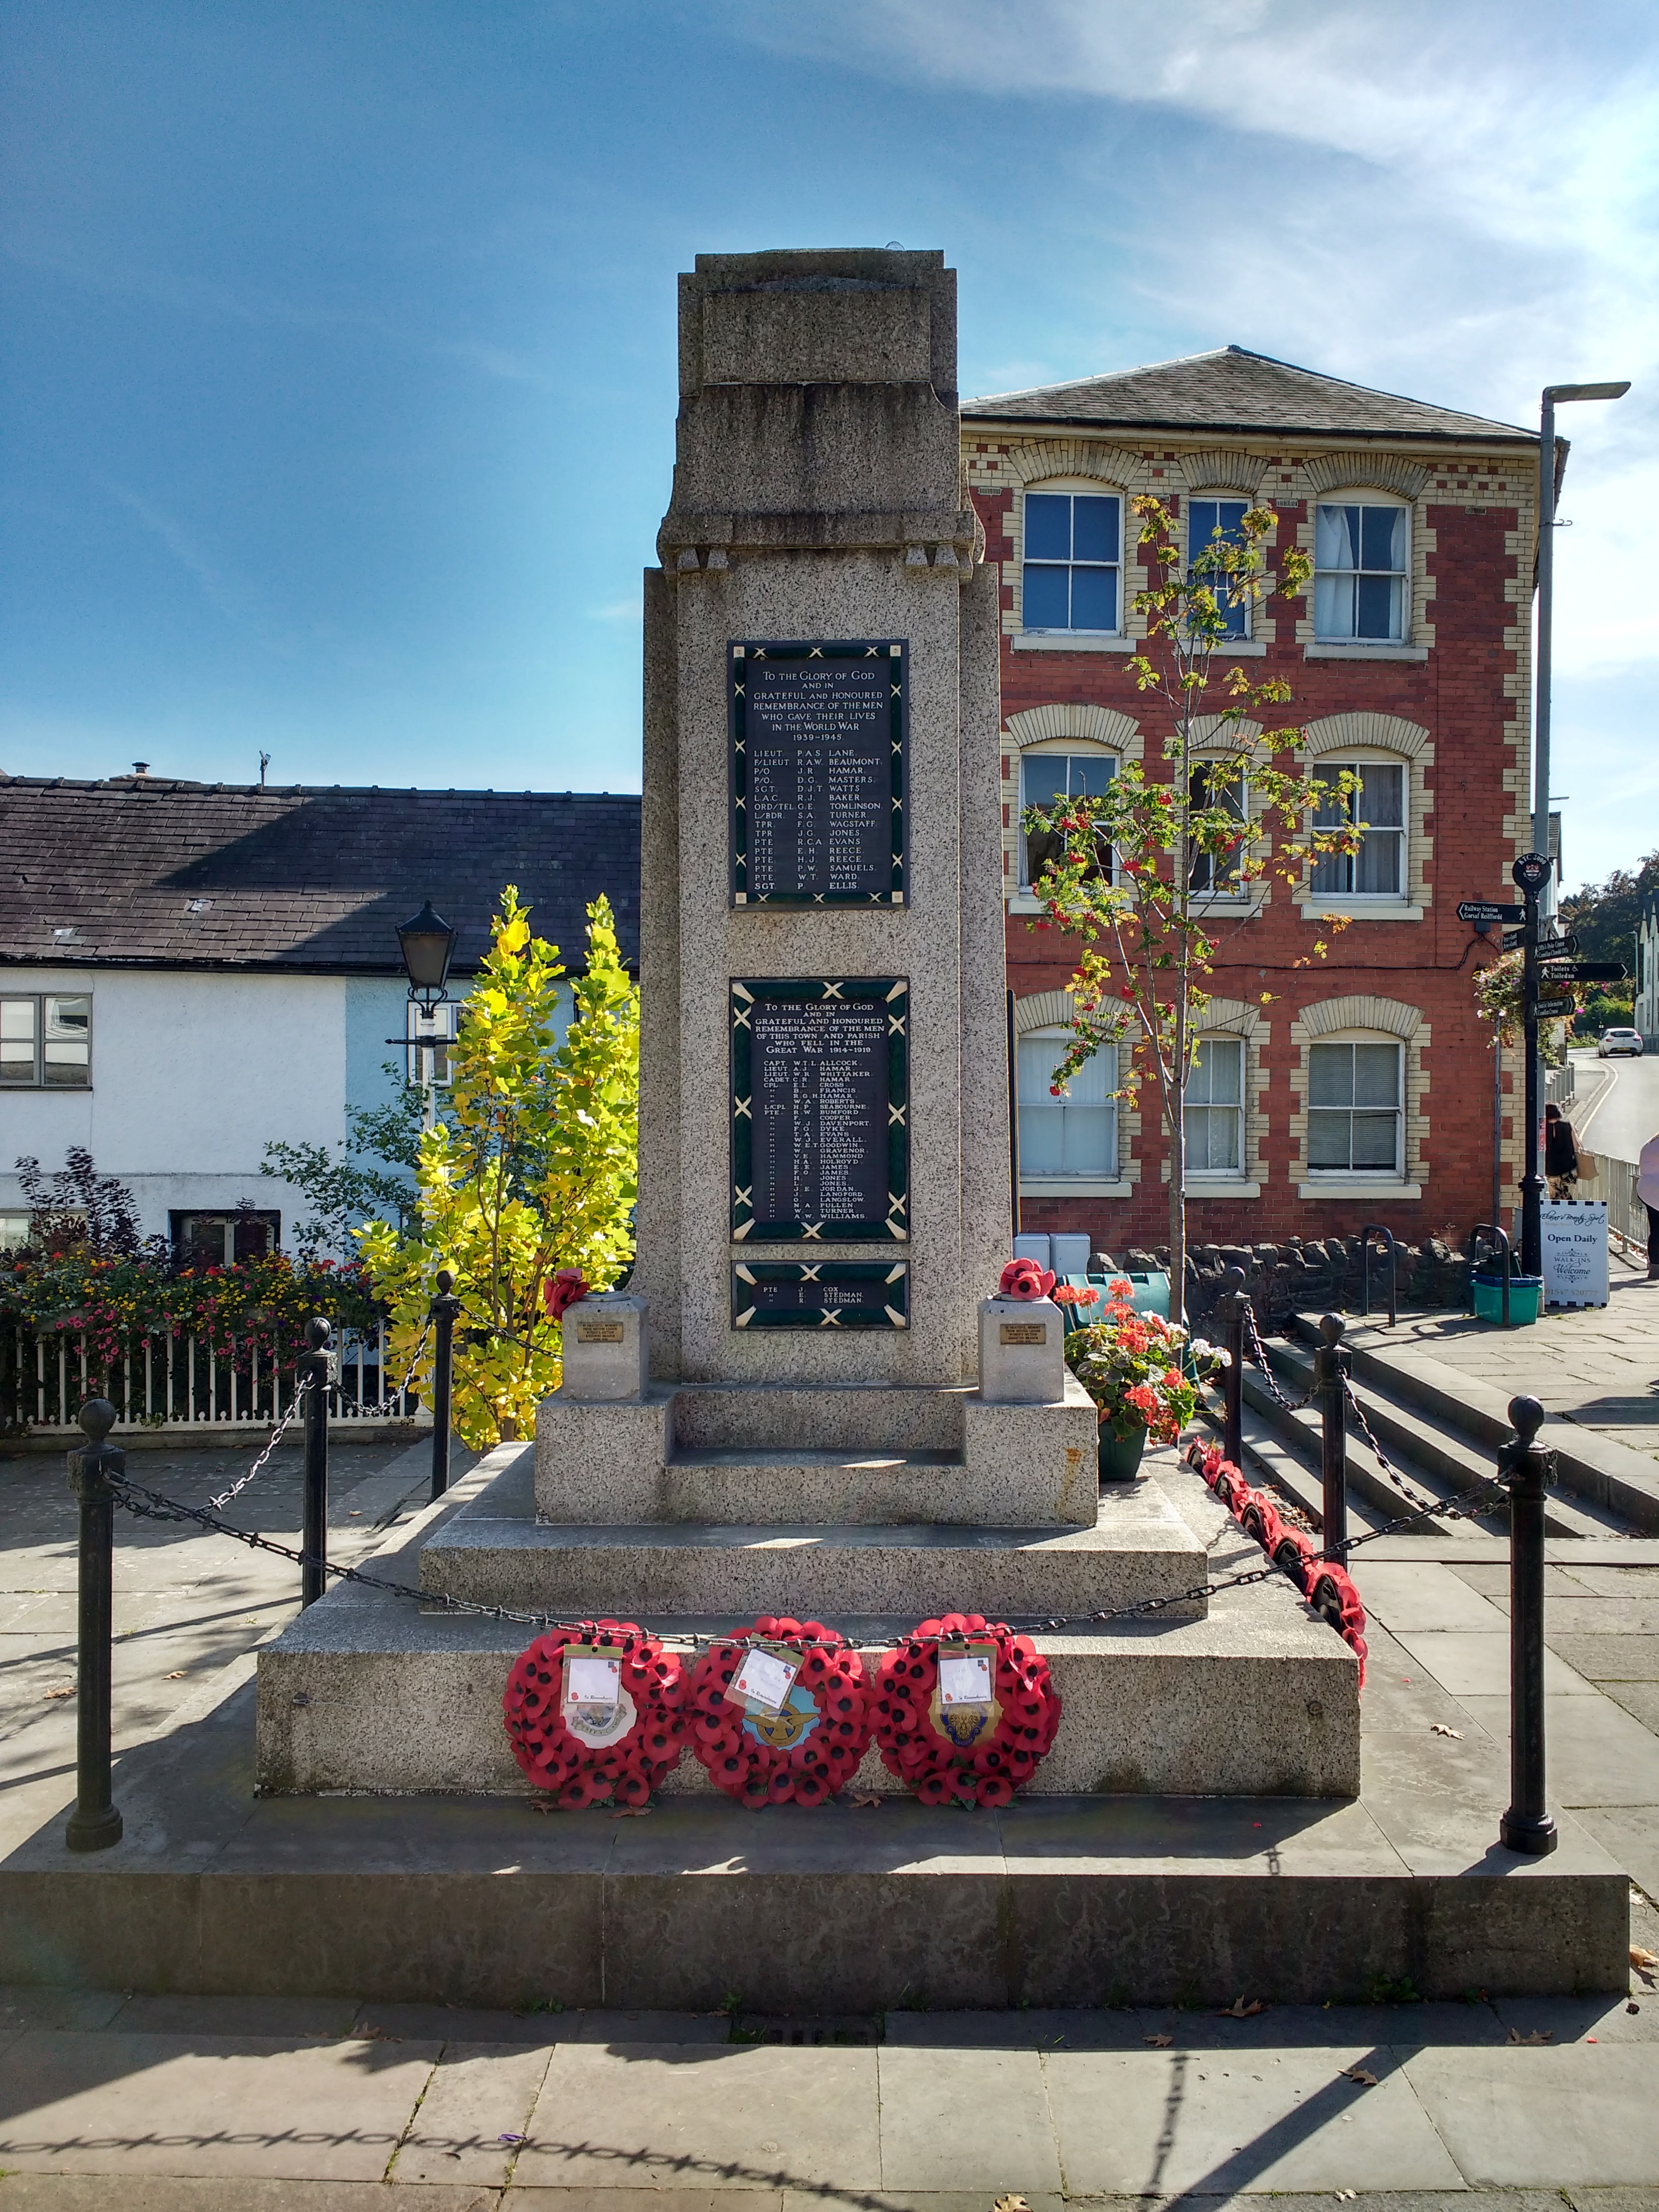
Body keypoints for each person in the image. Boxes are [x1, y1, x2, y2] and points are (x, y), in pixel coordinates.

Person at [1544, 1101, 1579, 1201]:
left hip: (1549, 1170)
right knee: (1567, 1198)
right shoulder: (1568, 1125)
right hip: (1568, 1170)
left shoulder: (1542, 1128)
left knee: (1552, 1198)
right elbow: (1577, 1146)